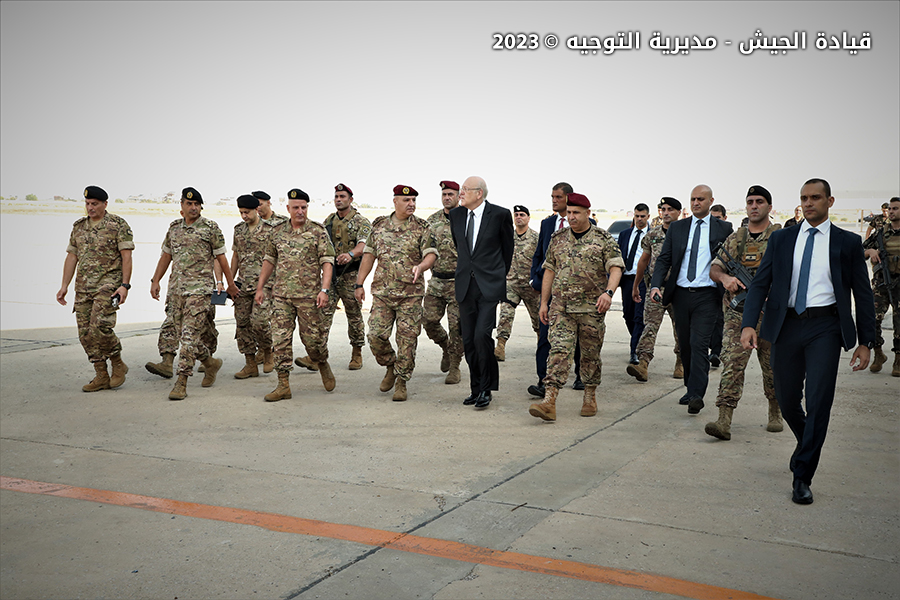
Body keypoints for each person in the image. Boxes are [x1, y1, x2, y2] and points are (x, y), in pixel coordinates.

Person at [740, 178, 875, 504]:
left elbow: (863, 293)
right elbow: (760, 283)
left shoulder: (848, 242)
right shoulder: (783, 239)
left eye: (816, 197)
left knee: (818, 402)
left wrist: (867, 341)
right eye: (804, 198)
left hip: (825, 328)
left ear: (830, 201)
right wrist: (748, 324)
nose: (809, 203)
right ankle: (807, 444)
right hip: (786, 326)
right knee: (786, 400)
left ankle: (802, 474)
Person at [529, 192, 625, 421]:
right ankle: (549, 401)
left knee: (590, 355)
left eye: (576, 213)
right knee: (558, 351)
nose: (571, 217)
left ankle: (590, 395)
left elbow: (616, 267)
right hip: (561, 308)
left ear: (587, 214)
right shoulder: (558, 238)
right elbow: (549, 270)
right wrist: (544, 303)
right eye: (569, 212)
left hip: (592, 309)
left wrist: (608, 293)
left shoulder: (602, 238)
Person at [705, 185, 783, 440]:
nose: (754, 206)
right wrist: (725, 278)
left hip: (771, 314)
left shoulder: (781, 236)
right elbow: (714, 268)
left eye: (759, 201)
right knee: (732, 364)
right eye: (750, 201)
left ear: (769, 207)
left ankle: (775, 410)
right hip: (738, 313)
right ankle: (724, 420)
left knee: (772, 367)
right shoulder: (736, 238)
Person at [650, 184, 734, 414]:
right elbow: (664, 259)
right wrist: (656, 285)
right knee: (685, 344)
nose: (696, 203)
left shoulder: (724, 228)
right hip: (680, 294)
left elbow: (730, 259)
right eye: (693, 199)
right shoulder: (677, 228)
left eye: (700, 199)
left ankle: (697, 394)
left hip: (707, 295)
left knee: (699, 344)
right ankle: (690, 386)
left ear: (710, 201)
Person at [149, 187, 239, 400]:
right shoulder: (174, 228)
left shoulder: (210, 228)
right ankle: (210, 363)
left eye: (196, 204)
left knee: (189, 337)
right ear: (182, 206)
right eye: (189, 204)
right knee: (182, 334)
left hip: (200, 290)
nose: (193, 207)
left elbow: (222, 258)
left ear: (201, 206)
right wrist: (155, 280)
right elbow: (166, 256)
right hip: (177, 290)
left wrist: (229, 284)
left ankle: (182, 381)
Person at [354, 185, 437, 401]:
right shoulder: (379, 226)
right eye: (406, 200)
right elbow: (369, 256)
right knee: (375, 335)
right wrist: (359, 283)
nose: (411, 204)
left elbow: (430, 255)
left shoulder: (422, 227)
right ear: (395, 201)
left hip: (410, 295)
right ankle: (390, 365)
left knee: (407, 340)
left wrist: (421, 266)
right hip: (383, 293)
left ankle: (401, 380)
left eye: (413, 201)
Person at [255, 189, 336, 401]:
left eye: (304, 207)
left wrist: (324, 290)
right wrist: (260, 287)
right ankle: (283, 385)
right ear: (288, 208)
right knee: (280, 339)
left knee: (312, 341)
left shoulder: (317, 231)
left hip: (309, 297)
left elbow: (327, 262)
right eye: (296, 207)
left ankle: (321, 362)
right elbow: (269, 260)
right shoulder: (278, 231)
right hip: (281, 296)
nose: (300, 211)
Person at [56, 185, 135, 392]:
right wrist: (64, 285)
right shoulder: (79, 227)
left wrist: (125, 285)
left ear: (105, 204)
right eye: (88, 204)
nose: (90, 208)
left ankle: (117, 361)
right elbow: (72, 256)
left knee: (99, 326)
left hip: (108, 284)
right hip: (83, 287)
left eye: (95, 204)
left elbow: (127, 256)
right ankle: (101, 374)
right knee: (85, 334)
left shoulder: (117, 225)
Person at [449, 176, 514, 409]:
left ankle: (487, 389)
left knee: (481, 336)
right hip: (465, 285)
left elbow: (508, 250)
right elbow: (461, 248)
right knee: (468, 341)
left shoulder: (499, 215)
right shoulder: (456, 215)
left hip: (489, 286)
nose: (460, 193)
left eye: (465, 190)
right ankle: (475, 388)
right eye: (461, 189)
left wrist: (495, 275)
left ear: (479, 193)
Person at [296, 183, 371, 372]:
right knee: (322, 315)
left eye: (343, 196)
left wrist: (351, 254)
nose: (339, 199)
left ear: (350, 200)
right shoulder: (329, 220)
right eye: (336, 196)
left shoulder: (360, 222)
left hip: (351, 275)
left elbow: (365, 245)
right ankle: (317, 357)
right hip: (332, 275)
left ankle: (357, 352)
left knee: (353, 315)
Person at [528, 182, 585, 398]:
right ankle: (543, 380)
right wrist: (535, 278)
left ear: (569, 198)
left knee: (577, 337)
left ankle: (580, 375)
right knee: (544, 336)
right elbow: (539, 255)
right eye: (552, 196)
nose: (554, 201)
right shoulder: (547, 224)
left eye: (558, 197)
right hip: (549, 291)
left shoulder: (581, 223)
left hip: (574, 292)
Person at [627, 197, 682, 381]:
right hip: (656, 289)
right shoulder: (653, 234)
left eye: (670, 210)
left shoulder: (686, 233)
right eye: (663, 209)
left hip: (679, 290)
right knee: (649, 326)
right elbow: (643, 261)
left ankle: (681, 362)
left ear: (679, 213)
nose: (666, 213)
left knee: (680, 328)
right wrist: (636, 285)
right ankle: (643, 363)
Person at [230, 194, 276, 379]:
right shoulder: (238, 230)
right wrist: (230, 281)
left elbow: (276, 257)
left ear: (256, 210)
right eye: (241, 212)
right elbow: (235, 256)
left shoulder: (270, 230)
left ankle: (267, 350)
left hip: (264, 285)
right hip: (242, 284)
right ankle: (250, 363)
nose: (244, 216)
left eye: (247, 212)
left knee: (260, 322)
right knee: (242, 324)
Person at [423, 181, 464, 384]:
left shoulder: (467, 218)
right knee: (428, 321)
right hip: (437, 280)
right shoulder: (432, 221)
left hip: (459, 282)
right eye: (444, 194)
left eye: (451, 194)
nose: (447, 197)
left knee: (457, 327)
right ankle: (445, 346)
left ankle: (455, 366)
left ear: (459, 196)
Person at [495, 204, 541, 362]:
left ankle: (542, 344)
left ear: (528, 217)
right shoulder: (507, 237)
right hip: (511, 284)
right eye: (516, 215)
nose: (519, 217)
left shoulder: (536, 238)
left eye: (522, 214)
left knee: (538, 320)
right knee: (505, 314)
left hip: (531, 287)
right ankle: (500, 345)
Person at [863, 196, 900, 376]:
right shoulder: (880, 233)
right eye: (890, 208)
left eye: (895, 209)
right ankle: (878, 353)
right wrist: (869, 251)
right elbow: (859, 251)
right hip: (881, 283)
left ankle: (898, 358)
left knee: (899, 321)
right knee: (873, 318)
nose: (891, 211)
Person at [618, 203, 650, 364]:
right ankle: (638, 340)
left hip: (644, 280)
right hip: (627, 280)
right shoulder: (625, 234)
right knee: (628, 314)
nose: (639, 219)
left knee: (639, 316)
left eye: (642, 216)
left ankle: (635, 351)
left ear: (648, 217)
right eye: (637, 216)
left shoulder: (652, 235)